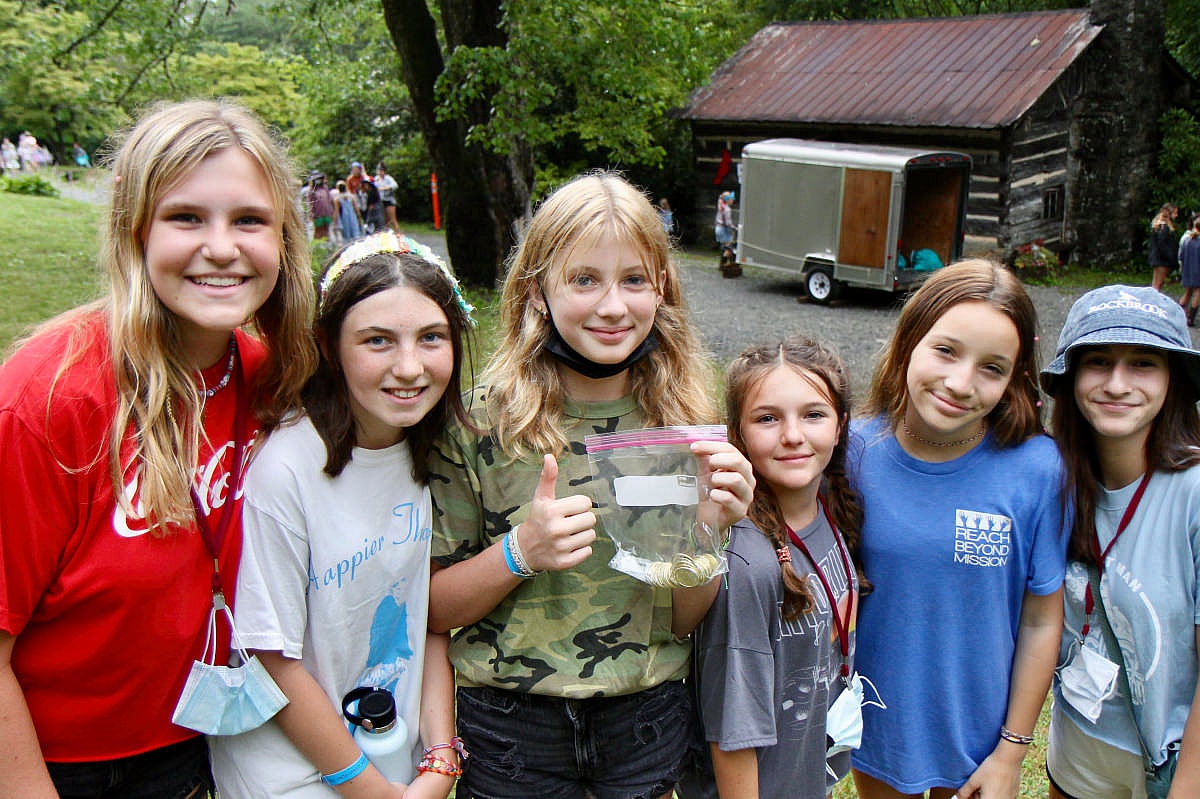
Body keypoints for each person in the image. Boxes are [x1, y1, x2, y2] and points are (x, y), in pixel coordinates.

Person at [0, 98, 317, 798]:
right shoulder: (48, 398)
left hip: (202, 744)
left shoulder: (270, 379)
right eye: (185, 218)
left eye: (249, 221)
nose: (222, 247)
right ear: (134, 226)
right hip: (57, 765)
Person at [427, 171, 756, 799]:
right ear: (537, 290)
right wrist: (518, 554)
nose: (612, 306)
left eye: (633, 279)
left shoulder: (681, 428)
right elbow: (436, 610)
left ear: (661, 288)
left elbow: (682, 621)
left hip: (644, 717)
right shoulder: (478, 424)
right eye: (584, 279)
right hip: (510, 726)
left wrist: (711, 530)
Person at [210, 231, 476, 797]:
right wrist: (367, 787)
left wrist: (440, 758)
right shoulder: (285, 470)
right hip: (293, 775)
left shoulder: (428, 450)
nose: (409, 367)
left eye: (431, 338)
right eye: (377, 340)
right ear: (330, 347)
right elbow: (270, 657)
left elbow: (425, 616)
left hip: (394, 758)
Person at [848, 259, 1067, 799]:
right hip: (878, 732)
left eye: (992, 368)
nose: (960, 382)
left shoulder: (1039, 470)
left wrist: (1013, 752)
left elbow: (1042, 620)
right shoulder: (850, 452)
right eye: (945, 350)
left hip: (982, 746)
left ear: (1014, 378)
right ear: (909, 341)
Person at [1040, 285, 1200, 799]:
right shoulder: (1051, 481)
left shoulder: (1194, 493)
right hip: (1076, 749)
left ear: (1173, 378)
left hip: (1170, 763)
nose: (1117, 383)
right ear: (1072, 377)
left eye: (1143, 364)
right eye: (1099, 361)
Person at [691, 336, 868, 798]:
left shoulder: (827, 510)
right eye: (767, 418)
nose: (792, 435)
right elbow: (733, 730)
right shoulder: (747, 561)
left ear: (841, 425)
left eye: (813, 414)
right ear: (738, 434)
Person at [1149, 203, 1179, 292]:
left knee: (1155, 284)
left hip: (1157, 258)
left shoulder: (1157, 225)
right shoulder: (1164, 227)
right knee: (1158, 284)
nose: (1176, 215)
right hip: (1162, 260)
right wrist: (1170, 257)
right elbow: (1162, 244)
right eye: (1175, 213)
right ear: (1169, 214)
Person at [1179, 216, 1200, 326]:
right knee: (1197, 293)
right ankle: (1191, 318)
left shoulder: (1187, 240)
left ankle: (1179, 313)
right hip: (1197, 271)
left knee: (1187, 293)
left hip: (1187, 270)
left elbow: (1181, 256)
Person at [376, 162, 402, 233]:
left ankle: (399, 234)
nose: (380, 172)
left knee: (393, 219)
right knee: (385, 221)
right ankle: (387, 235)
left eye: (381, 171)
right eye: (379, 171)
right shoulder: (376, 179)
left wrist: (384, 188)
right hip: (381, 201)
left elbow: (395, 185)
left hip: (389, 201)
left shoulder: (388, 178)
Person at [308, 171, 335, 241]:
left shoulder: (325, 188)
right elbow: (310, 204)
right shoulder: (312, 191)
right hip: (317, 214)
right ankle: (317, 245)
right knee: (318, 230)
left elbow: (330, 200)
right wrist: (311, 214)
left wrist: (333, 211)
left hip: (326, 212)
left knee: (326, 230)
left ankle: (327, 244)